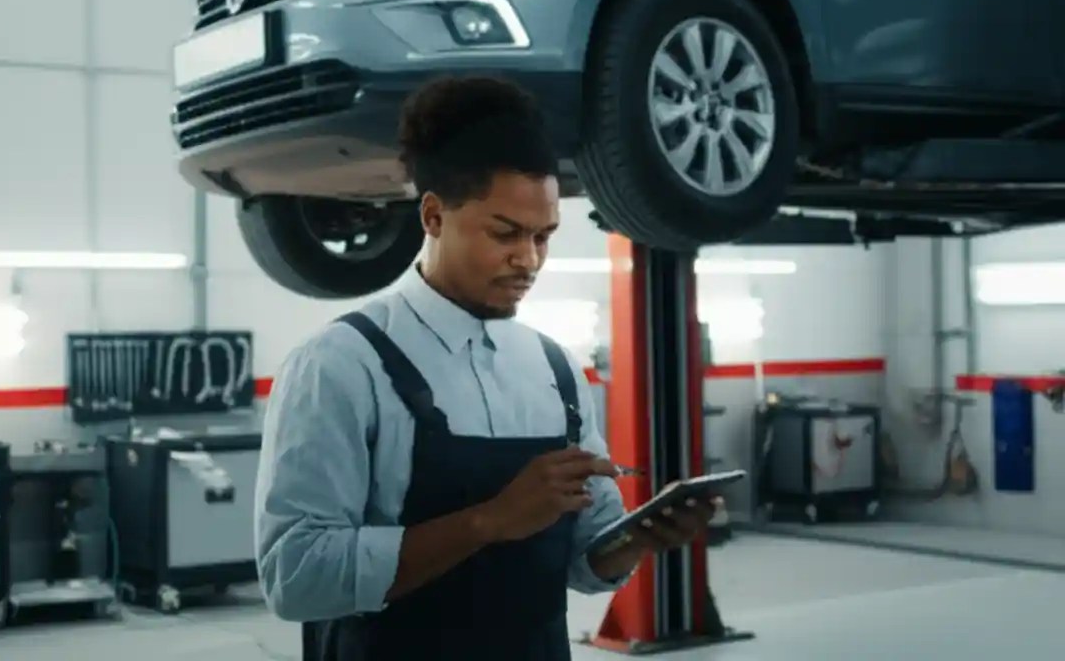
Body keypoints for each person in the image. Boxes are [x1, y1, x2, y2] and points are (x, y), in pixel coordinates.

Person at [253, 76, 718, 661]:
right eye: (505, 234)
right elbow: (294, 578)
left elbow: (581, 559)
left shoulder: (558, 370)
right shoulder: (342, 366)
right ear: (433, 216)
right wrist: (488, 521)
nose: (528, 260)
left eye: (543, 237)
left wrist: (636, 540)